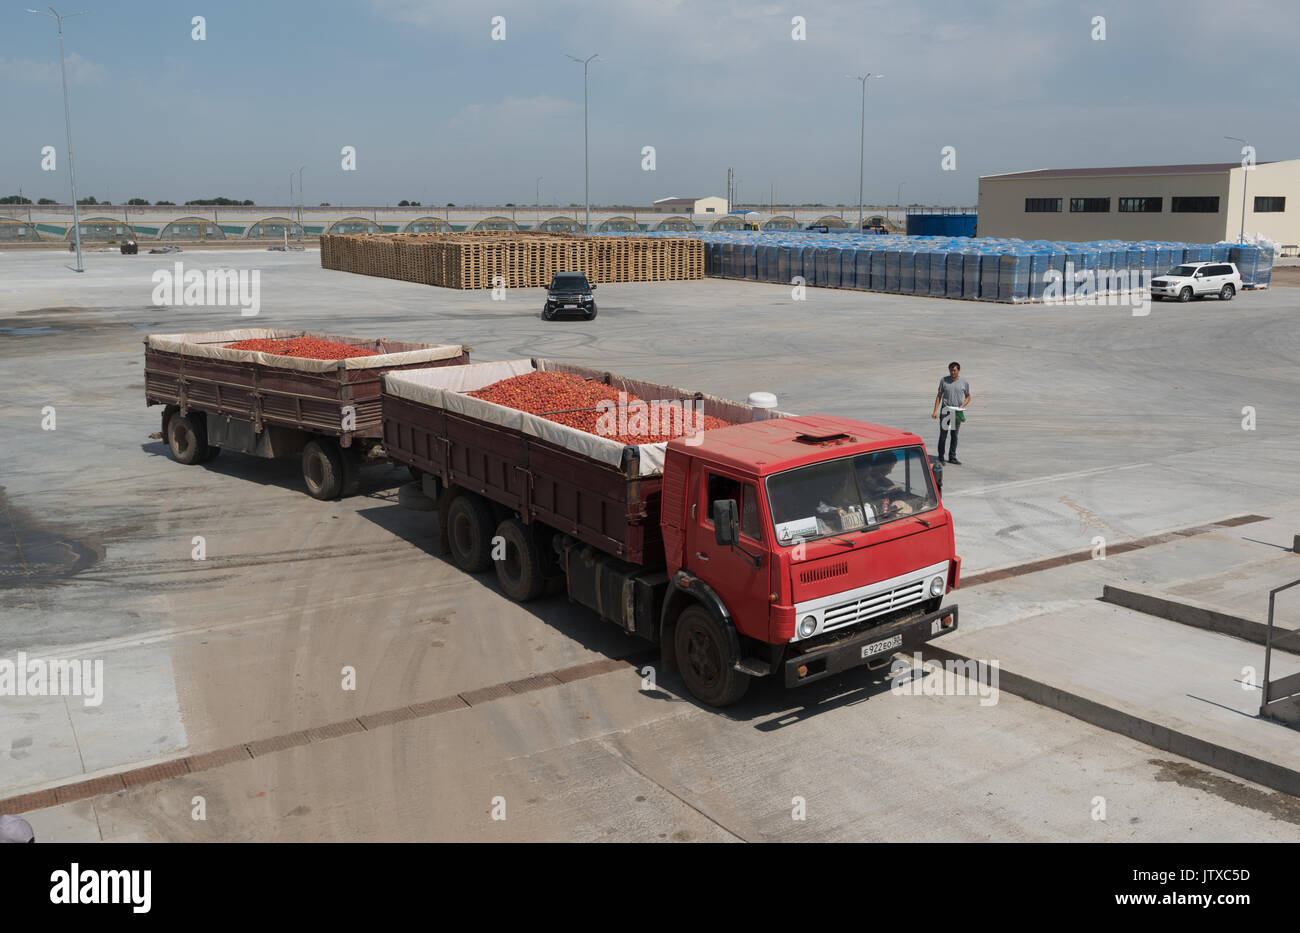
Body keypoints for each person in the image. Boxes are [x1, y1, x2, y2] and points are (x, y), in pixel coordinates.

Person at [931, 361, 971, 465]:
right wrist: (935, 411)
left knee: (954, 435)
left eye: (954, 370)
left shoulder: (964, 382)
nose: (952, 372)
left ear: (958, 370)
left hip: (957, 411)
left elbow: (968, 397)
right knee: (943, 435)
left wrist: (962, 406)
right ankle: (941, 457)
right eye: (951, 370)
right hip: (946, 410)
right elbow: (939, 395)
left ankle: (952, 457)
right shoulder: (944, 380)